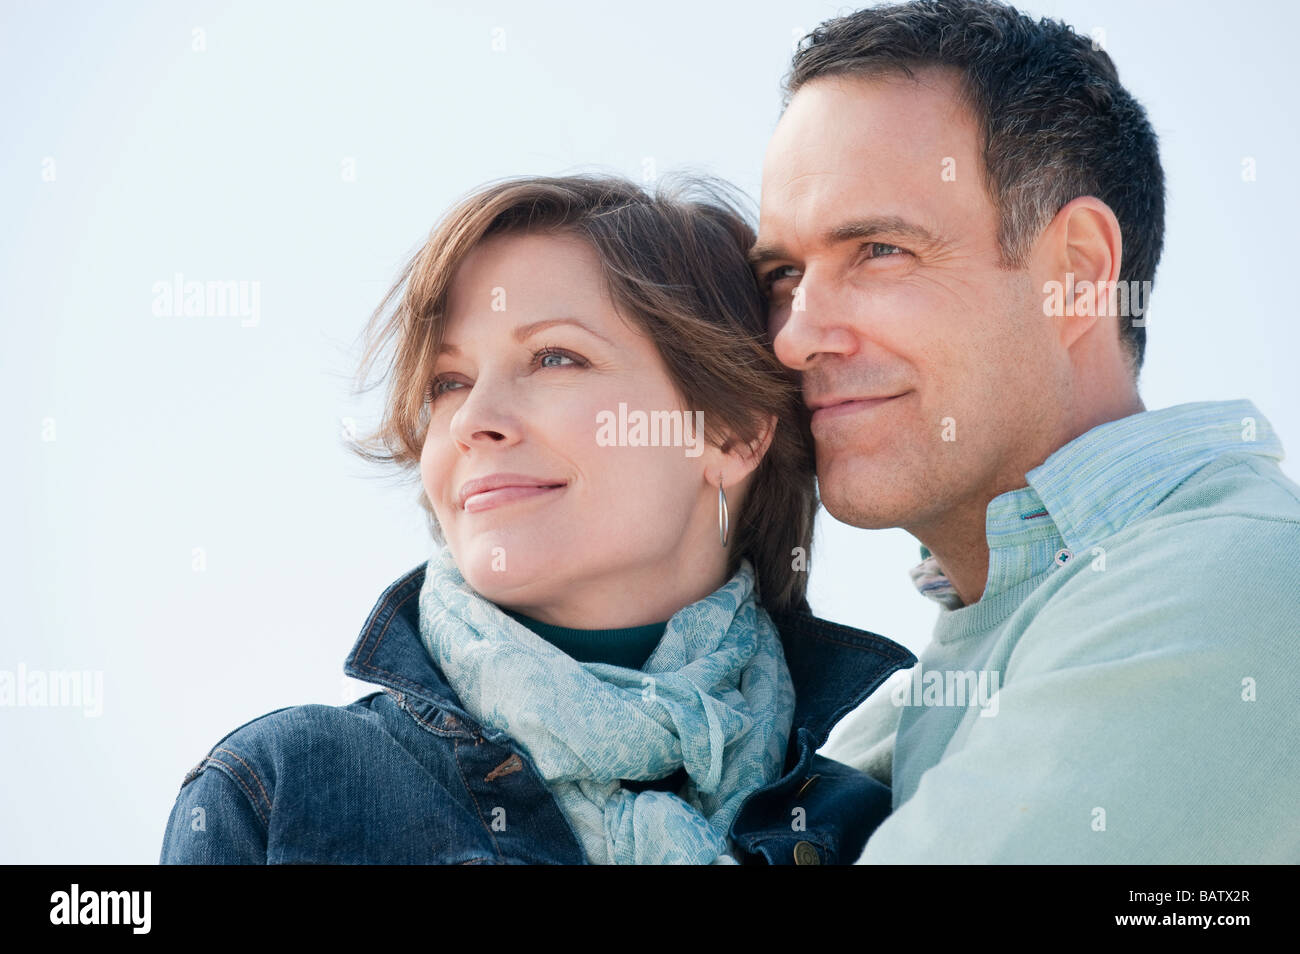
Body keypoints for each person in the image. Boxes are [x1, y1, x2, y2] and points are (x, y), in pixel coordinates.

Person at [158, 173, 914, 865]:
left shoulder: (899, 814)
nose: (474, 421)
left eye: (555, 358)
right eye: (448, 381)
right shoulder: (282, 793)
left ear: (730, 430)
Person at [754, 0, 1300, 862]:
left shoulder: (1237, 588)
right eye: (785, 272)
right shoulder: (935, 690)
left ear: (1078, 274)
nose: (794, 334)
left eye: (879, 251)